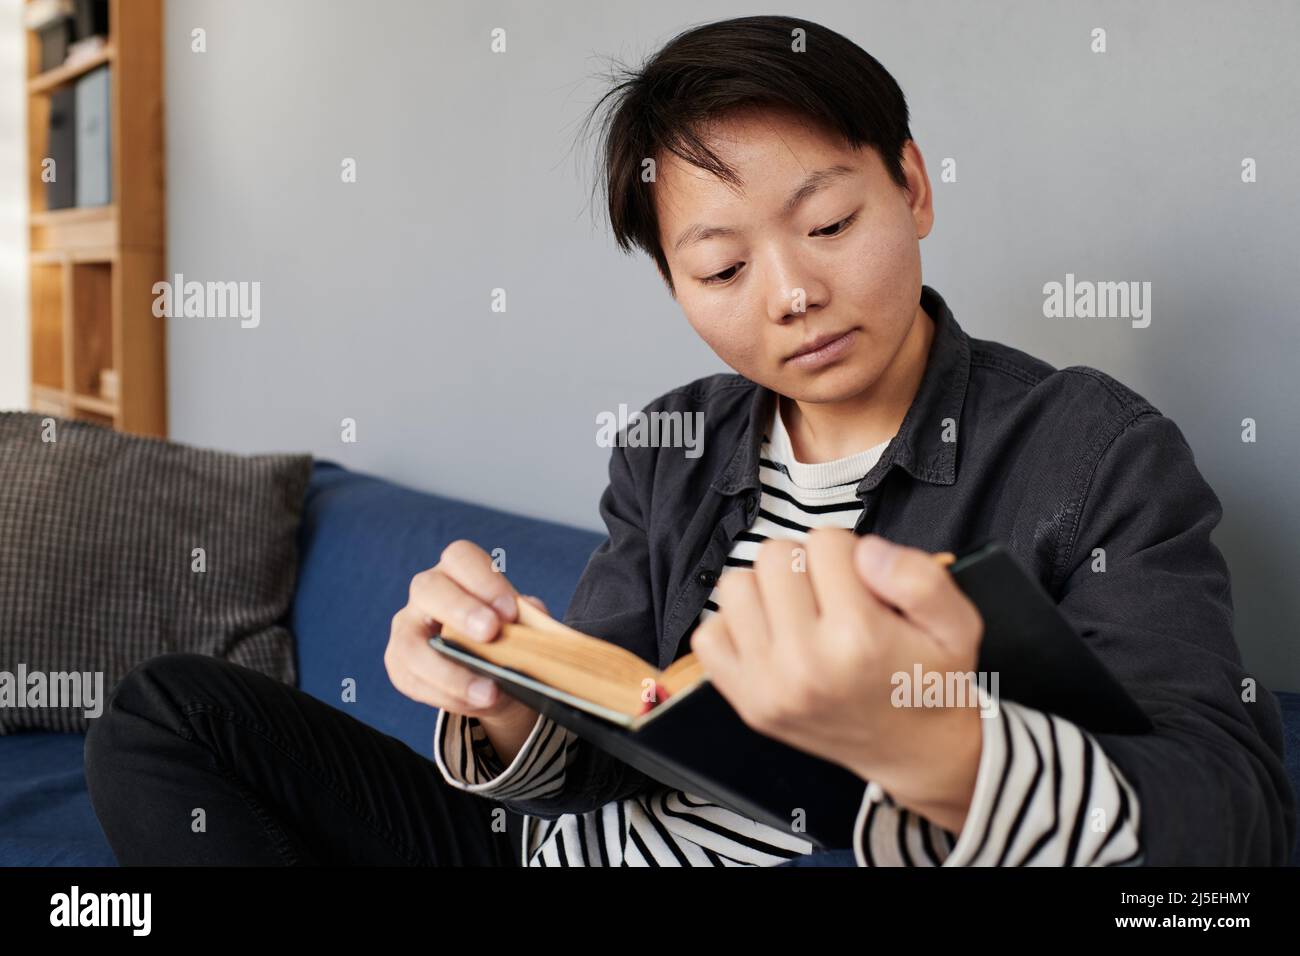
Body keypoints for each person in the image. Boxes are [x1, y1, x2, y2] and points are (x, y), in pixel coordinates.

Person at [85, 14, 1295, 867]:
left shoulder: (1093, 450)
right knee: (167, 711)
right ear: (676, 282)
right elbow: (615, 728)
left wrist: (940, 747)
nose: (790, 292)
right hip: (556, 851)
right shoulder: (673, 443)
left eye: (827, 221)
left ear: (912, 187)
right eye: (719, 264)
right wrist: (500, 692)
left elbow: (1233, 815)